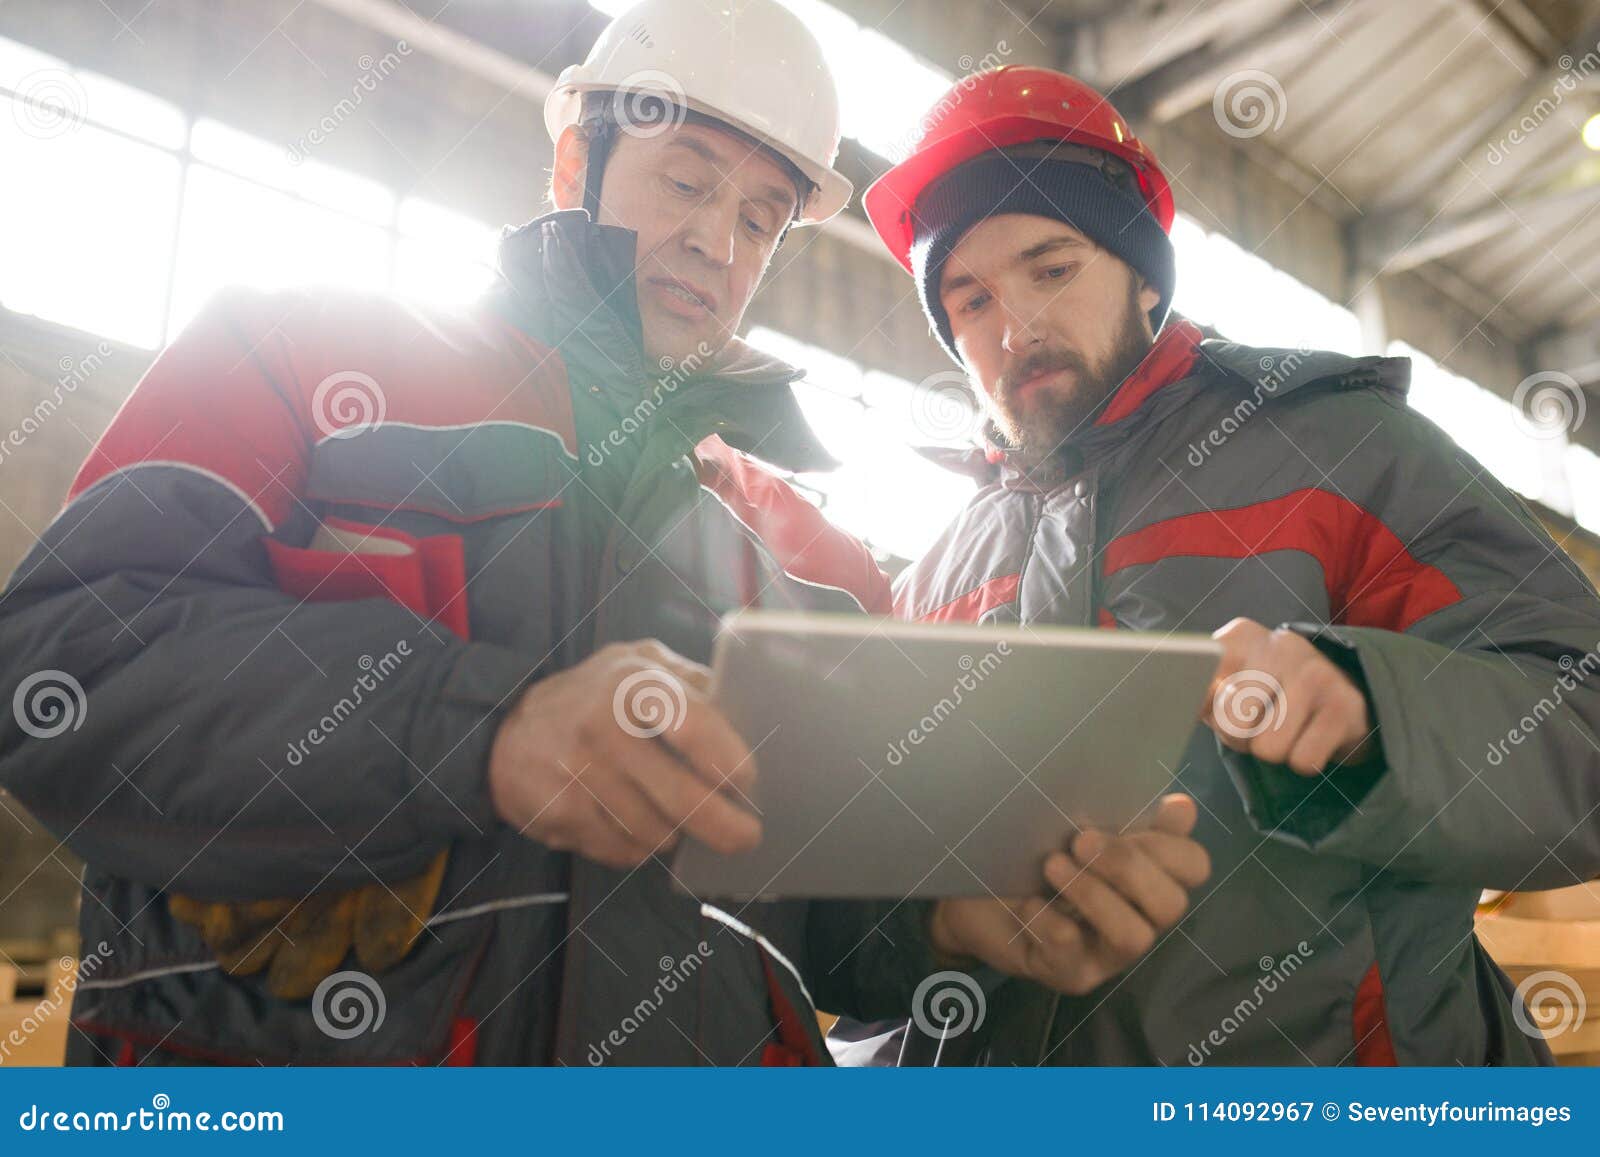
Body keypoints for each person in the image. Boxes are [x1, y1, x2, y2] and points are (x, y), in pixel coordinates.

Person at [0, 11, 1205, 1065]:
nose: (718, 244)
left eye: (760, 216)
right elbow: (56, 662)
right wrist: (483, 734)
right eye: (685, 181)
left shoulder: (754, 569)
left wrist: (941, 923)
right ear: (575, 155)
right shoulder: (300, 353)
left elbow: (790, 911)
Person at [834, 64, 1600, 1066]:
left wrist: (1376, 713)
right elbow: (856, 899)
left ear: (1143, 273)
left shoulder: (1341, 453)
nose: (1013, 327)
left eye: (1051, 268)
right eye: (968, 298)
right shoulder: (935, 572)